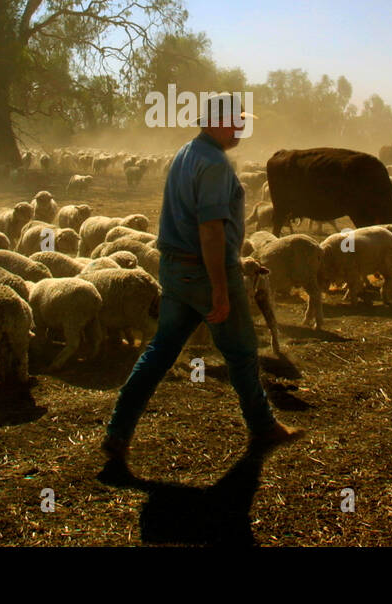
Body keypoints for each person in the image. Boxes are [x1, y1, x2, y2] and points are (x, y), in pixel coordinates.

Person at [101, 93, 302, 477]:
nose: (242, 127)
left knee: (160, 349)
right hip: (206, 271)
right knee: (242, 352)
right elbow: (210, 230)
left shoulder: (185, 153)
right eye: (237, 121)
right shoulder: (213, 164)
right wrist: (221, 289)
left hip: (175, 268)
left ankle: (118, 431)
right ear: (219, 123)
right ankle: (263, 427)